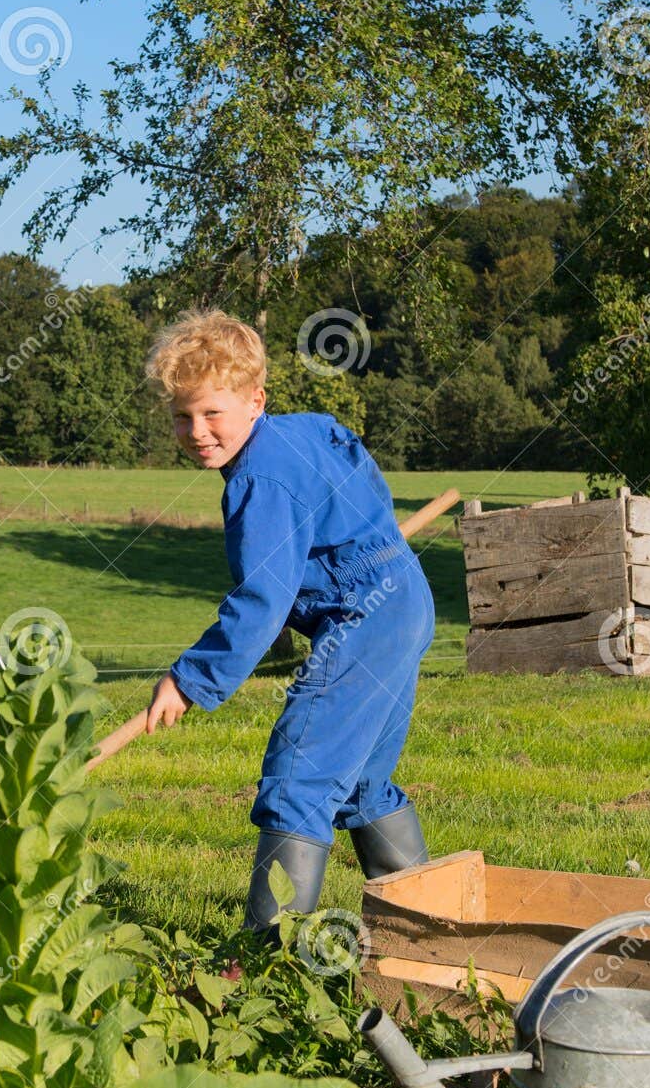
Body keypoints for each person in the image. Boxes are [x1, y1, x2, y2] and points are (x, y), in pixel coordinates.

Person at [143, 308, 435, 930]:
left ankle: (267, 957)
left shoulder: (259, 480)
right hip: (405, 599)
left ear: (256, 399)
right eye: (182, 416)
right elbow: (354, 458)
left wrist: (190, 680)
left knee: (300, 777)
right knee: (360, 782)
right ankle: (425, 931)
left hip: (361, 620)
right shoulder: (306, 429)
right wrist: (372, 538)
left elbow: (262, 600)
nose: (197, 431)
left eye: (212, 412)